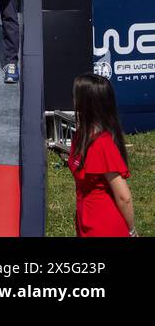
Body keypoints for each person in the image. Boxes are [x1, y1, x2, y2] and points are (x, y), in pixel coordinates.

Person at [68, 74, 138, 237]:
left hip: (104, 227)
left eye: (76, 96)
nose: (73, 100)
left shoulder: (103, 144)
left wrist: (132, 231)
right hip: (85, 218)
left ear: (87, 104)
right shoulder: (81, 135)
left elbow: (124, 197)